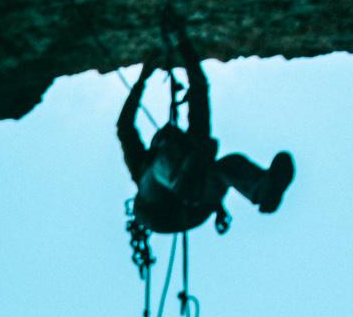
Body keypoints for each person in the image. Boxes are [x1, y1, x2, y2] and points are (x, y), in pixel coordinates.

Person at [118, 25, 295, 234]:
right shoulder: (150, 164)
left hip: (191, 204)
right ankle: (260, 190)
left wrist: (178, 48)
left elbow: (198, 89)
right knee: (221, 163)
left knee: (227, 164)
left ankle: (263, 189)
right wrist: (148, 74)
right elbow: (125, 127)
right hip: (162, 210)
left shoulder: (189, 144)